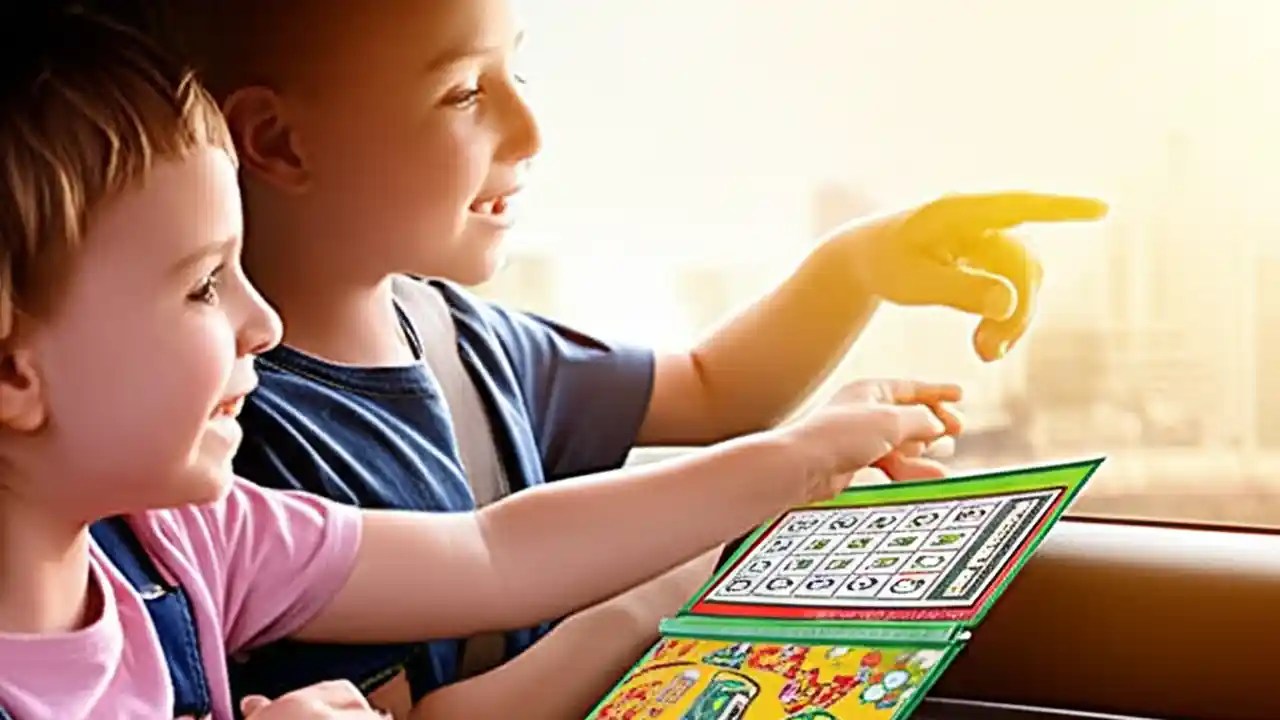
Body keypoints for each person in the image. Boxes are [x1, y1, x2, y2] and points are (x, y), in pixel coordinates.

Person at [134, 0, 1107, 716]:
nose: (530, 129)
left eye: (519, 72)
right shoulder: (226, 441)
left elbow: (714, 389)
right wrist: (678, 580)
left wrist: (855, 267)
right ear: (277, 141)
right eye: (466, 91)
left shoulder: (468, 339)